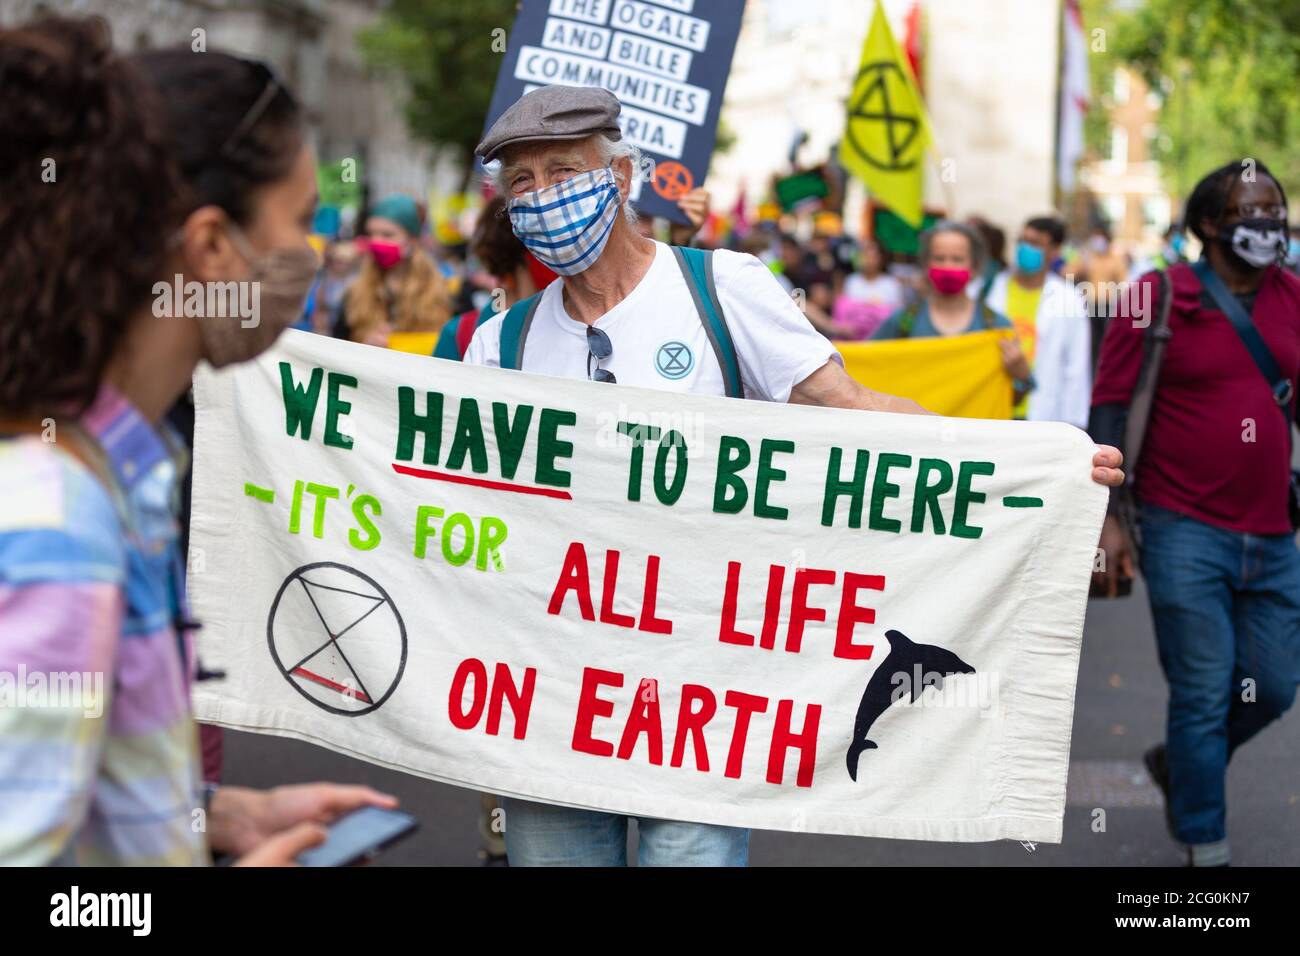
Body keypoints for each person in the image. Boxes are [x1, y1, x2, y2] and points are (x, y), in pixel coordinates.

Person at [463, 84, 1125, 866]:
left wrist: (1029, 460)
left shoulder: (720, 290)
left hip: (696, 702)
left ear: (621, 176)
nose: (541, 197)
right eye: (521, 185)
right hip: (554, 706)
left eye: (562, 171)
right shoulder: (497, 348)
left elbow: (851, 408)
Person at [0, 17, 396, 865]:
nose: (311, 253)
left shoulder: (120, 474)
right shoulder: (58, 522)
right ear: (215, 247)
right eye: (300, 219)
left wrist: (211, 816)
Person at [1091, 159, 1300, 867]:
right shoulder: (1154, 296)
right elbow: (1110, 405)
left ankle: (1182, 763)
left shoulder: (1292, 296)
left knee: (1273, 686)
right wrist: (1109, 515)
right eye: (1251, 211)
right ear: (1209, 224)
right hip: (1181, 528)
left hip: (1273, 530)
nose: (1268, 224)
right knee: (1205, 689)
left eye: (1275, 209)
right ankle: (1207, 850)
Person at [869, 221, 1033, 402]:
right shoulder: (903, 322)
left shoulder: (996, 327)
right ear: (926, 264)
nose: (948, 267)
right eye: (939, 258)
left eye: (957, 259)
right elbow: (867, 369)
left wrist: (1022, 375)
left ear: (975, 266)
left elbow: (1012, 398)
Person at [984, 216, 1092, 428]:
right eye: (1023, 241)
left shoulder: (1068, 299)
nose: (1026, 248)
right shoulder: (991, 288)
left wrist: (1073, 424)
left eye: (1035, 243)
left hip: (1039, 414)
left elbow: (1076, 365)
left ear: (1055, 250)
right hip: (993, 408)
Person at [340, 193, 452, 346]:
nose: (376, 241)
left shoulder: (443, 291)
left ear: (412, 241)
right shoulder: (353, 292)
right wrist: (364, 347)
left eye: (387, 235)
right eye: (371, 234)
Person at [826, 235, 904, 340]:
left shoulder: (891, 285)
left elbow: (896, 317)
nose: (869, 260)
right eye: (865, 255)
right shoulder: (851, 281)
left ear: (881, 258)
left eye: (873, 256)